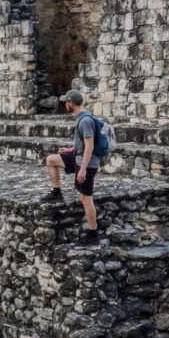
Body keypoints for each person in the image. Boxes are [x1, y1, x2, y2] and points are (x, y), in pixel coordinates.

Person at [43, 89, 102, 245]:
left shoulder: (85, 121)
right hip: (78, 157)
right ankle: (56, 192)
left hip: (87, 164)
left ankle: (93, 234)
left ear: (71, 103)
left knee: (85, 198)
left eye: (66, 102)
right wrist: (70, 150)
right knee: (51, 160)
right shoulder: (81, 118)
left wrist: (82, 169)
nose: (65, 104)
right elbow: (82, 144)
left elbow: (89, 146)